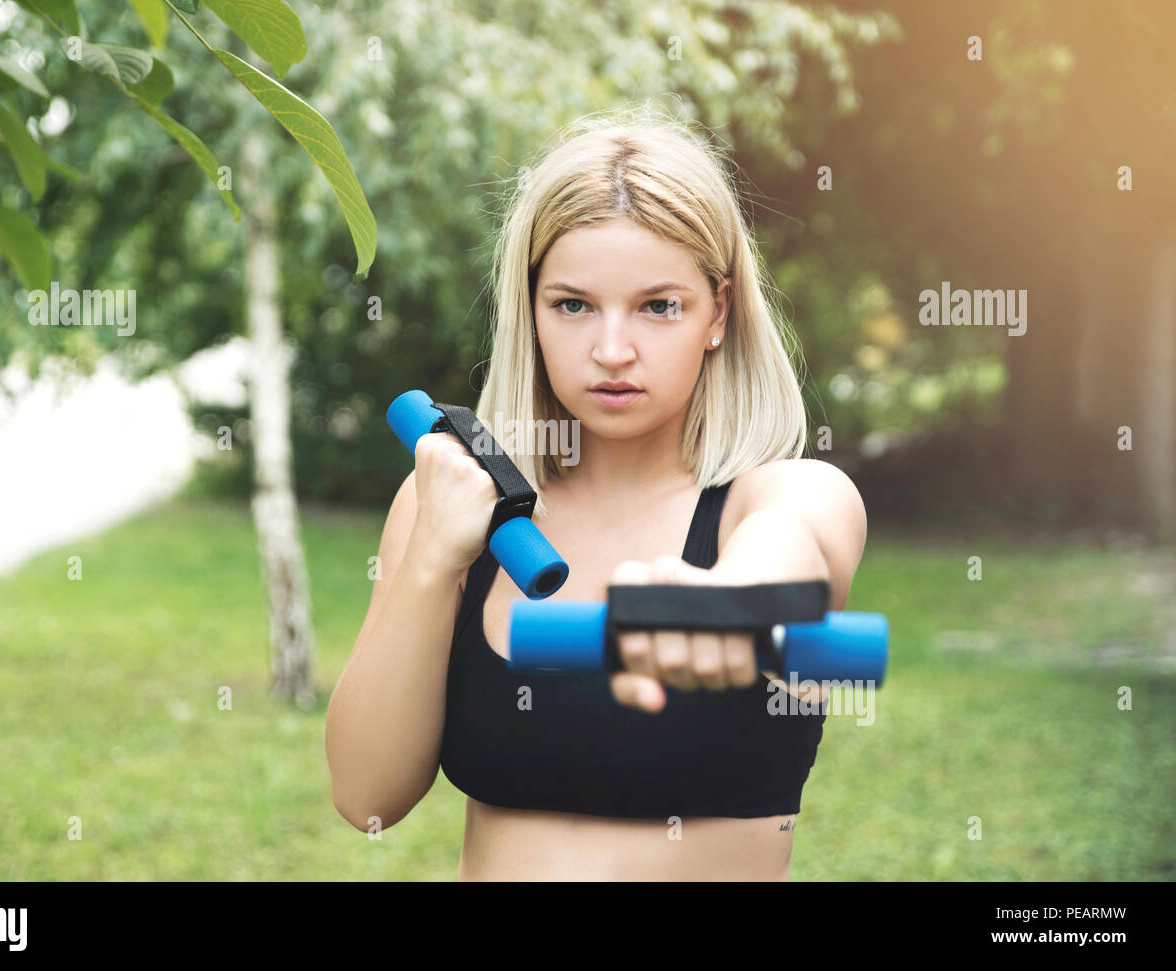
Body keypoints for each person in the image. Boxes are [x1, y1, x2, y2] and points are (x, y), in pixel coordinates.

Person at [325, 105, 867, 881]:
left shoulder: (784, 491)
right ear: (532, 310)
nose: (612, 350)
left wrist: (714, 604)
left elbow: (788, 553)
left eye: (658, 306)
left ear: (717, 311)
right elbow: (365, 795)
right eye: (573, 305)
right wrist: (432, 560)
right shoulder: (450, 505)